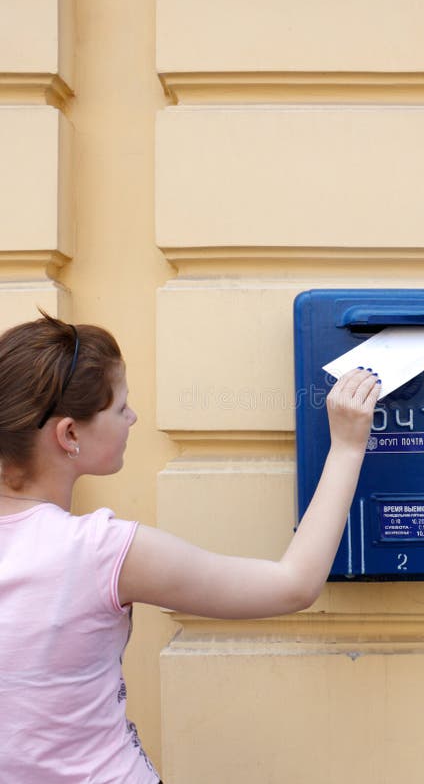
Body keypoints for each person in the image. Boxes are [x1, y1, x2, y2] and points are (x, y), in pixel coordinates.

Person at [0, 311, 380, 783]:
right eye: (120, 408)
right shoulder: (102, 552)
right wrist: (346, 447)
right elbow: (293, 585)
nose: (133, 418)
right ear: (70, 434)